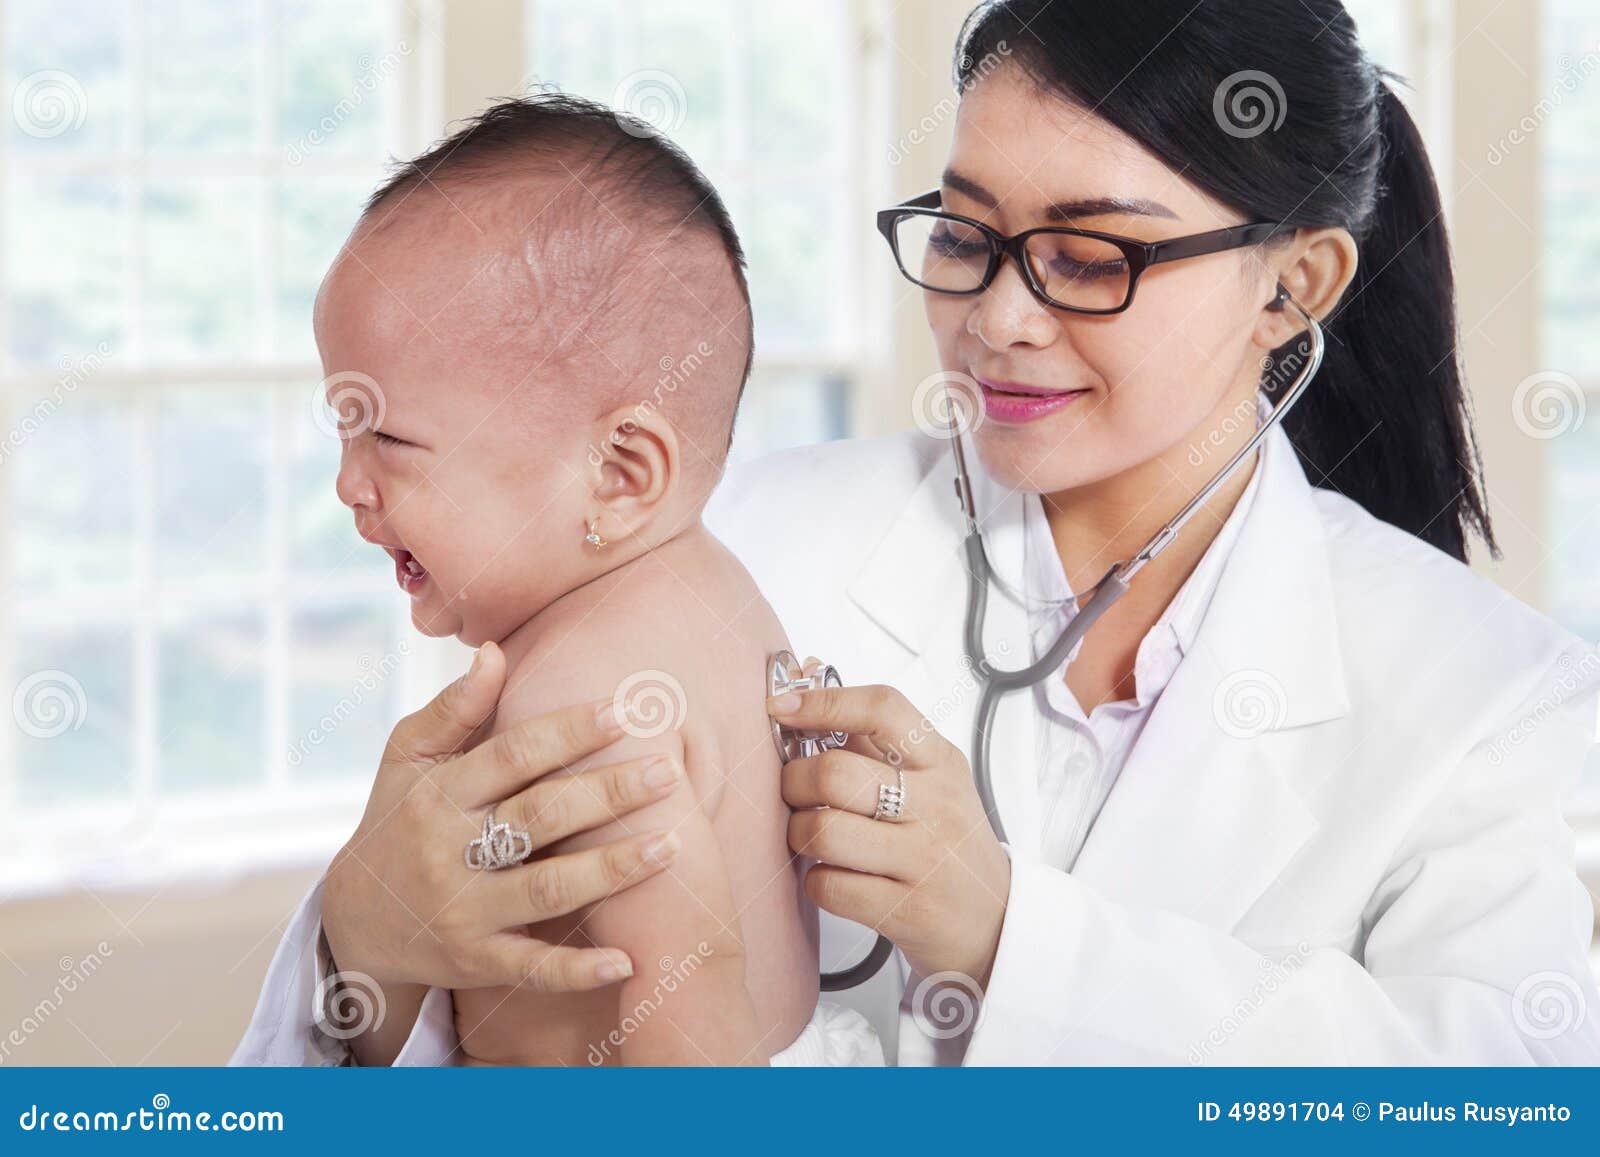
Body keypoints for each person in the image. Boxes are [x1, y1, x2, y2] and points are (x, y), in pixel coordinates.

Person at [237, 0, 1600, 1066]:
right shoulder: (706, 555)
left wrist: (1008, 935)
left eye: (1089, 254)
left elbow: (1503, 1095)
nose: (998, 317)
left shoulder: (1493, 696)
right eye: (965, 232)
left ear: (1292, 285)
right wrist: (363, 943)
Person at [233, 94, 882, 1066]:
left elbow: (693, 970)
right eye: (344, 425)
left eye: (392, 439)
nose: (348, 485)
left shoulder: (581, 696)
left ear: (619, 475)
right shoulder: (717, 595)